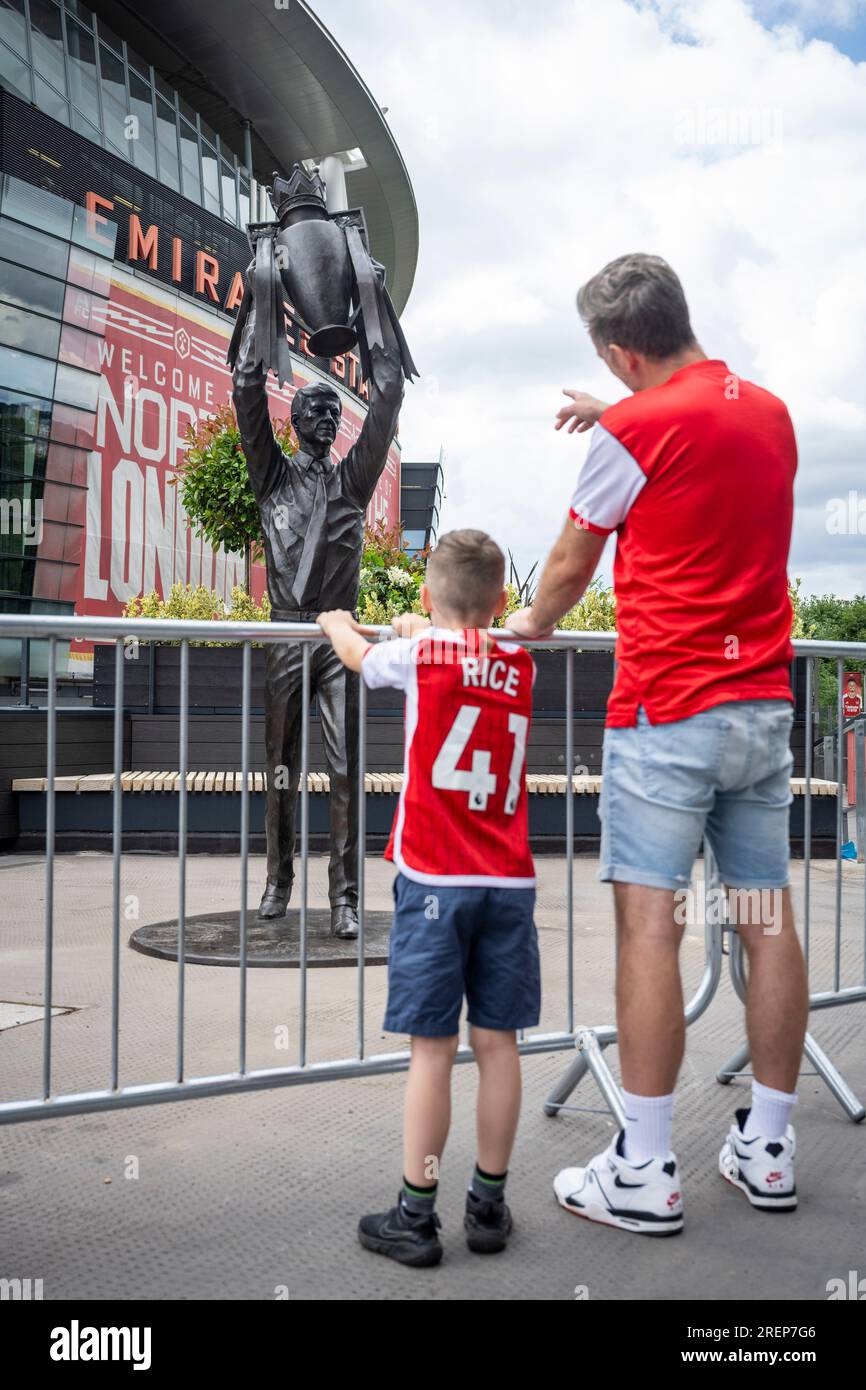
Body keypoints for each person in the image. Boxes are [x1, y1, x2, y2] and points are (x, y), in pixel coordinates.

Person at [508, 253, 807, 1236]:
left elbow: (566, 560)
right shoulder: (765, 412)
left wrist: (525, 626)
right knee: (763, 921)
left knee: (651, 927)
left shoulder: (632, 430)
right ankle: (767, 1148)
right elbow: (693, 438)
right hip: (760, 716)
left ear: (618, 351)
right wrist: (616, 410)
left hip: (666, 721)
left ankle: (640, 1164)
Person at [318, 529, 540, 1267]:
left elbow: (356, 655)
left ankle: (416, 1214)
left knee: (432, 1050)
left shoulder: (419, 654)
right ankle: (488, 1202)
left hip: (435, 880)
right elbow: (470, 640)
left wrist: (337, 624)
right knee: (498, 1042)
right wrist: (435, 628)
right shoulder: (519, 661)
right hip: (506, 882)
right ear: (503, 602)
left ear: (422, 598)